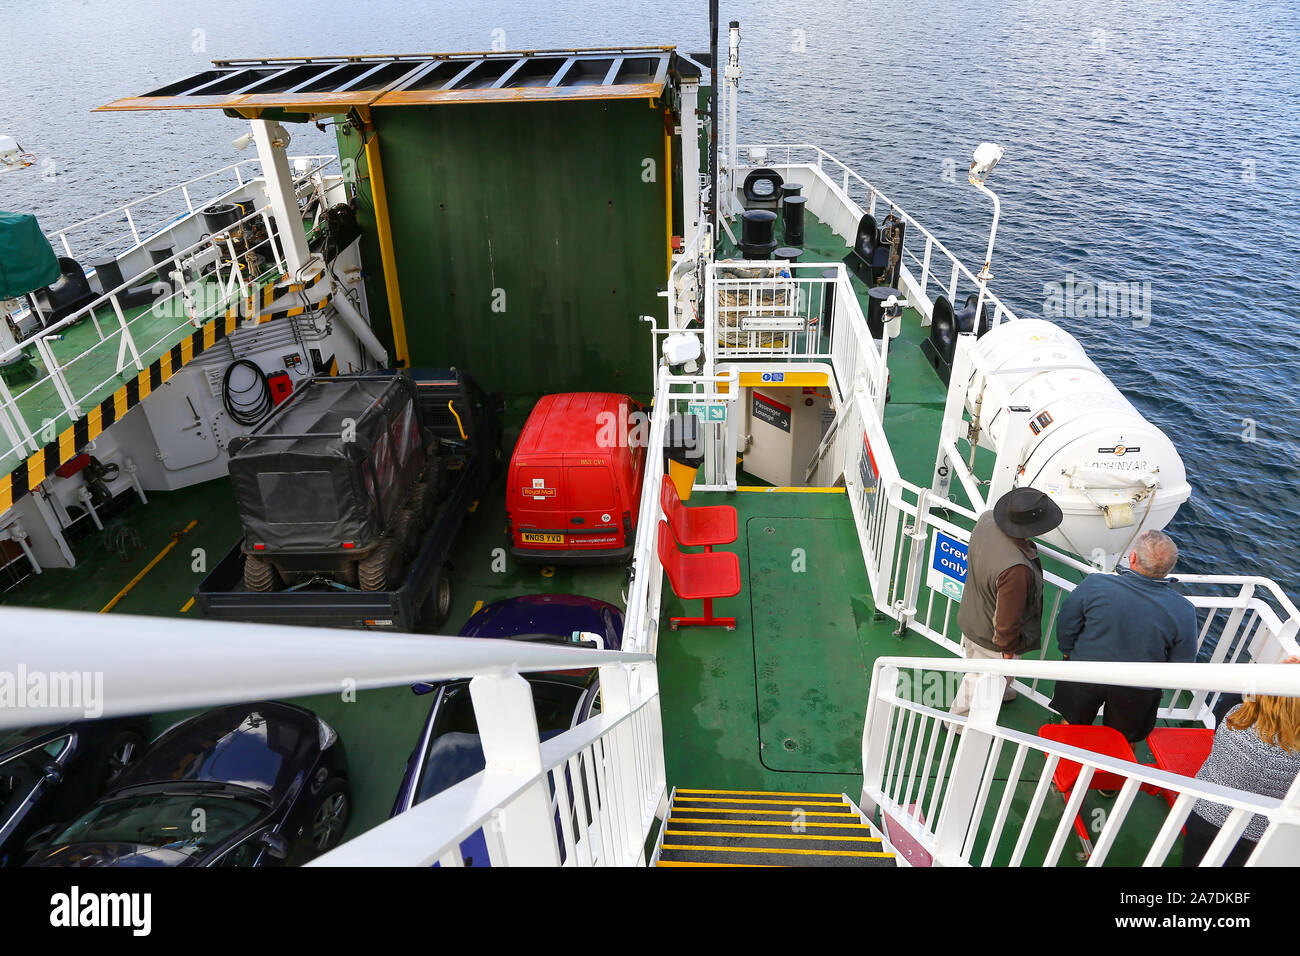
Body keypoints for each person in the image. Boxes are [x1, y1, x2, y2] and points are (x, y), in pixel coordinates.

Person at [1051, 530, 1197, 742]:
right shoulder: (1184, 610)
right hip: (1138, 687)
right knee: (1123, 741)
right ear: (1168, 568)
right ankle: (1114, 773)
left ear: (1133, 557)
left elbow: (1067, 624)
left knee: (1071, 725)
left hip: (1084, 672)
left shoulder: (1096, 584)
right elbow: (1182, 661)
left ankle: (1061, 770)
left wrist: (1067, 652)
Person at [949, 488, 1062, 717]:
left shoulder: (987, 519)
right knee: (978, 682)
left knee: (976, 666)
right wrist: (1008, 652)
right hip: (991, 637)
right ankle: (957, 722)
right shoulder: (1016, 569)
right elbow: (1006, 622)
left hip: (972, 615)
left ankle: (1001, 690)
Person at [1182, 666, 1300, 866]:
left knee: (1193, 861)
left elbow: (1237, 690)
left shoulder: (1234, 717)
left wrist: (1277, 670)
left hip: (1204, 812)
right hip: (1255, 834)